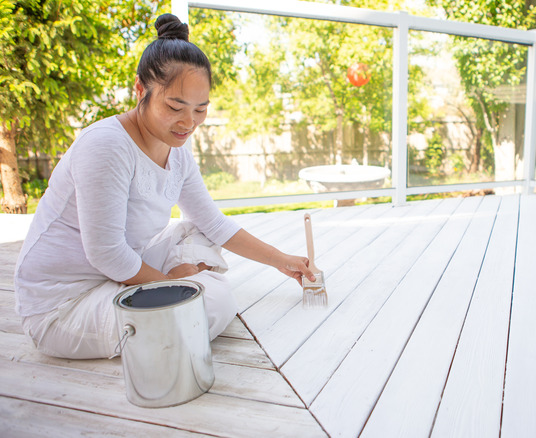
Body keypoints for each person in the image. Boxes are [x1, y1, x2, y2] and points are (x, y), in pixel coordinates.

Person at [13, 13, 314, 360]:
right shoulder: (106, 145)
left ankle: (177, 288)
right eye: (175, 107)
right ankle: (180, 289)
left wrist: (283, 261)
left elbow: (213, 223)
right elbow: (106, 252)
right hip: (65, 304)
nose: (189, 123)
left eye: (201, 110)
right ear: (140, 90)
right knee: (212, 304)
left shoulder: (177, 150)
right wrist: (173, 284)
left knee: (194, 233)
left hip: (120, 272)